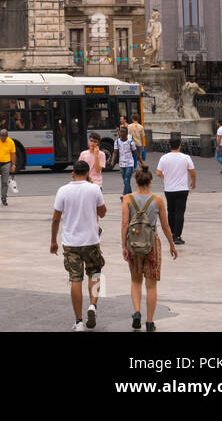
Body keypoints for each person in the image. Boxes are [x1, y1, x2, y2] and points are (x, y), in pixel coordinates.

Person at [50, 159, 107, 330]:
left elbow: (55, 218)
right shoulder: (94, 188)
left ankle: (79, 321)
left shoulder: (63, 191)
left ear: (73, 173)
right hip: (91, 240)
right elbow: (103, 213)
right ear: (88, 173)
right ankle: (93, 305)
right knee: (95, 274)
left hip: (71, 242)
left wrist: (53, 241)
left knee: (75, 279)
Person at [121, 166, 178, 332]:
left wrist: (124, 245)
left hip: (133, 244)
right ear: (150, 181)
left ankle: (137, 312)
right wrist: (172, 245)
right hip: (152, 243)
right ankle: (150, 322)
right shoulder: (158, 200)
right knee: (151, 285)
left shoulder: (127, 199)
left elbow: (125, 223)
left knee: (135, 280)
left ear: (136, 181)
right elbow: (166, 225)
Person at [155, 133, 195, 246]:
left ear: (169, 145)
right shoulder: (186, 157)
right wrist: (193, 182)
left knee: (171, 212)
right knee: (180, 213)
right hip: (182, 189)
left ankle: (171, 233)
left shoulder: (164, 158)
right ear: (180, 145)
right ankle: (177, 236)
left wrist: (166, 176)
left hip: (169, 189)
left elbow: (158, 173)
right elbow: (192, 172)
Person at [115, 125, 140, 196]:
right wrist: (112, 161)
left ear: (126, 134)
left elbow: (136, 152)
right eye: (120, 132)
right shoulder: (117, 142)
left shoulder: (131, 142)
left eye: (123, 132)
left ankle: (124, 195)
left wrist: (141, 162)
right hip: (121, 163)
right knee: (126, 181)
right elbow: (115, 152)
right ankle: (130, 194)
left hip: (129, 163)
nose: (121, 133)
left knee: (126, 179)